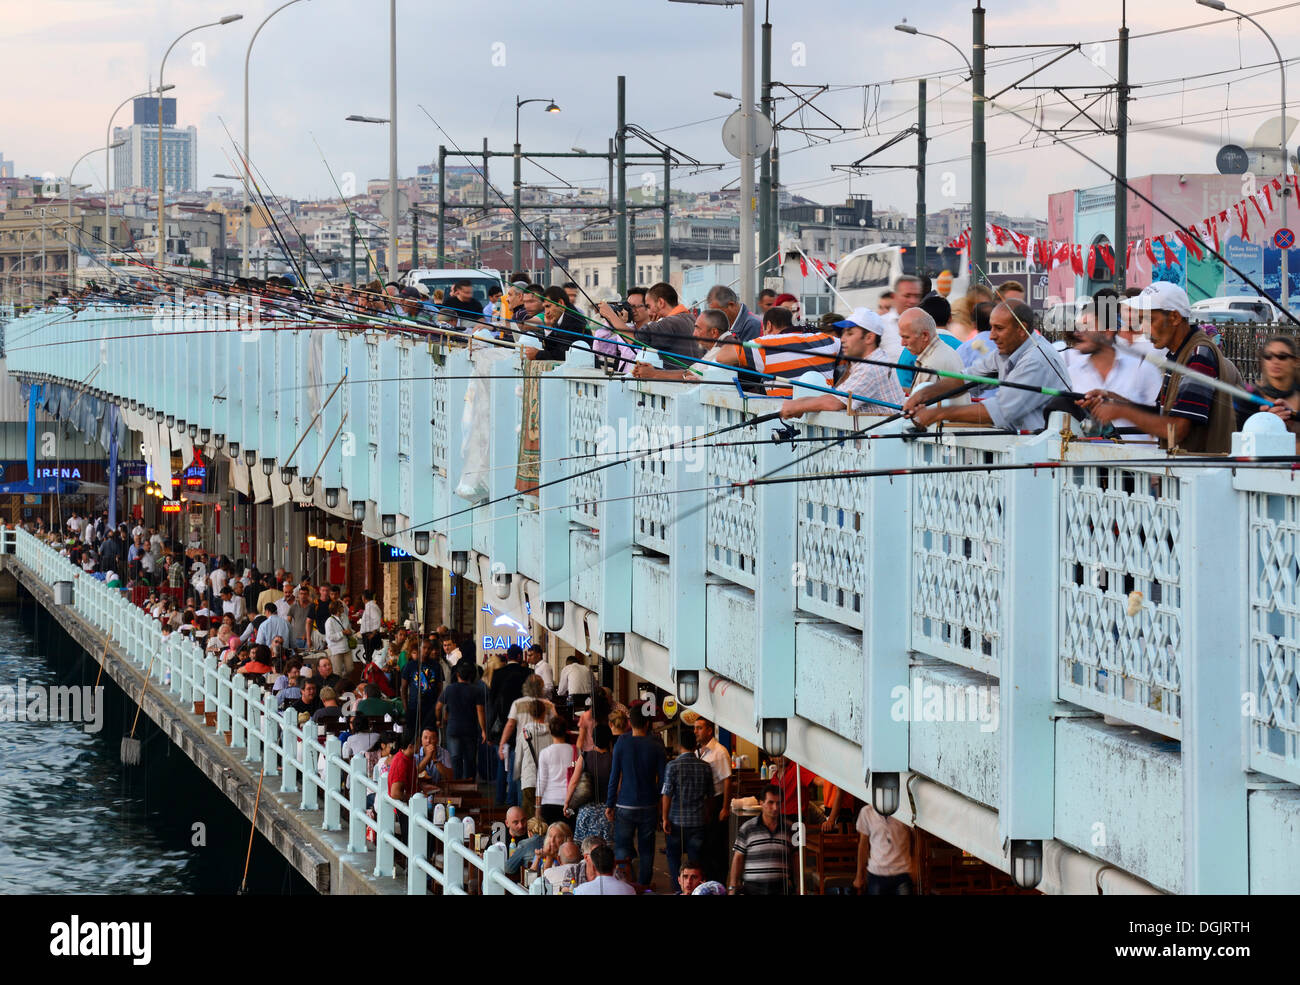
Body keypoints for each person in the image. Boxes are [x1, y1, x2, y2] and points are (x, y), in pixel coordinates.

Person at [1079, 283, 1243, 454]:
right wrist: (1114, 400)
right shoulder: (1179, 354)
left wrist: (1122, 411)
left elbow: (1177, 429)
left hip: (1202, 473)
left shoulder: (1198, 354)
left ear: (1174, 318)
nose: (1143, 329)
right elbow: (1163, 414)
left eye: (1149, 320)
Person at [903, 300, 1070, 432]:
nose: (991, 336)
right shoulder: (1005, 352)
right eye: (991, 328)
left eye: (999, 328)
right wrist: (922, 394)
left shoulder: (1036, 360)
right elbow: (966, 379)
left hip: (1045, 453)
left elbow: (1000, 411)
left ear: (1021, 329)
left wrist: (937, 414)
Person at [1067, 297, 1163, 442]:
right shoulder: (1071, 374)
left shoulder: (1142, 369)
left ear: (1108, 332)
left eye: (1087, 325)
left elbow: (1162, 422)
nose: (1077, 333)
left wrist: (1120, 406)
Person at [711, 305, 840, 396]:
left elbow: (722, 356)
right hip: (828, 416)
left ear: (769, 325)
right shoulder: (829, 340)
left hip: (784, 418)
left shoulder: (764, 346)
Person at [604, 704, 666, 889]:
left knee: (622, 846)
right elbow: (664, 779)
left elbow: (614, 776)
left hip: (625, 804)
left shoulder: (622, 742)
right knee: (647, 848)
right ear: (647, 723)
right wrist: (661, 805)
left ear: (630, 723)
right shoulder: (656, 744)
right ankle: (644, 886)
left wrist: (610, 803)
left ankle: (624, 884)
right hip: (649, 804)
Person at [660, 726, 713, 887]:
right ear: (695, 745)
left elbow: (667, 794)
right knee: (695, 862)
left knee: (674, 858)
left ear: (679, 745)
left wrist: (664, 818)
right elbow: (709, 796)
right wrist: (707, 816)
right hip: (698, 821)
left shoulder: (673, 766)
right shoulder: (705, 767)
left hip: (676, 821)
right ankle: (696, 890)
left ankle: (678, 890)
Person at [599, 281, 696, 362]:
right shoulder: (691, 318)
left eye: (648, 306)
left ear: (661, 303)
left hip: (672, 382)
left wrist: (611, 315)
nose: (649, 312)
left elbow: (634, 341)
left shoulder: (667, 323)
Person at [500, 675, 555, 815]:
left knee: (520, 784)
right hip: (545, 750)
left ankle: (518, 815)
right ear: (541, 688)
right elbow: (556, 725)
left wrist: (502, 743)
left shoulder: (518, 703)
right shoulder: (548, 705)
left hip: (523, 748)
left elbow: (511, 724)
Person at [728, 784, 793, 895]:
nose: (775, 808)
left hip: (780, 887)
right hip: (752, 888)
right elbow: (738, 858)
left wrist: (800, 886)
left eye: (778, 803)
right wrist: (732, 888)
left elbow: (796, 859)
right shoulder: (747, 828)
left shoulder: (789, 828)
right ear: (761, 803)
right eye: (771, 803)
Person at [899, 308, 969, 403]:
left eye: (906, 337)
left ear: (925, 336)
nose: (902, 343)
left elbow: (919, 412)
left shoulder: (930, 365)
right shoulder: (945, 350)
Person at [1245, 336, 1300, 448]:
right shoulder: (1250, 399)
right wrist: (1267, 424)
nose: (1275, 361)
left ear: (1296, 361)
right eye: (1268, 357)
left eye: (1282, 356)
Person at [564, 721, 614, 842]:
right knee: (604, 850)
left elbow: (574, 782)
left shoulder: (584, 756)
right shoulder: (613, 759)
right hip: (607, 812)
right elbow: (617, 786)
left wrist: (567, 803)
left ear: (593, 739)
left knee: (583, 849)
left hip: (586, 811)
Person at [436, 660, 486, 779]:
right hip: (470, 729)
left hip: (453, 729)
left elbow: (438, 707)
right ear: (471, 676)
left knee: (455, 759)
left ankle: (456, 786)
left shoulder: (449, 689)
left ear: (457, 675)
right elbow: (480, 711)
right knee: (470, 760)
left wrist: (439, 720)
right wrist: (483, 729)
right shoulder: (476, 690)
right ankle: (469, 788)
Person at [852, 803, 915, 895]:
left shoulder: (905, 810)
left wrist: (915, 865)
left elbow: (914, 839)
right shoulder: (867, 811)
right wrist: (859, 876)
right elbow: (863, 845)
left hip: (902, 872)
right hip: (876, 873)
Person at [534, 715, 576, 825]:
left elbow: (541, 781)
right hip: (569, 801)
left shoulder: (545, 752)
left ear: (550, 731)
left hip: (549, 800)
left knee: (550, 839)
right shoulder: (575, 750)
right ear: (566, 730)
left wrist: (537, 806)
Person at [877, 275, 922, 361]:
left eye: (917, 296)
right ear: (894, 297)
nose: (913, 301)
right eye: (907, 296)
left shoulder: (929, 324)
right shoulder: (880, 324)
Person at [503, 806, 545, 876]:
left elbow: (508, 869)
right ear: (507, 823)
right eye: (516, 822)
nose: (521, 826)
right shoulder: (551, 840)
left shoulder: (524, 844)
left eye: (523, 820)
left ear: (529, 831)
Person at [323, 599, 355, 677]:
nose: (343, 608)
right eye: (341, 606)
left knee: (350, 669)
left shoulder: (345, 617)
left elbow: (349, 628)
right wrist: (342, 633)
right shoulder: (329, 621)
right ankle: (338, 687)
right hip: (336, 650)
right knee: (337, 671)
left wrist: (351, 632)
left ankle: (346, 684)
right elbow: (330, 637)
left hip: (346, 647)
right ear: (337, 609)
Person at [358, 588, 382, 659]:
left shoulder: (371, 606)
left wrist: (373, 634)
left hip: (370, 635)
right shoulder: (371, 606)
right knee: (369, 657)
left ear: (364, 598)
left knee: (371, 658)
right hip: (369, 635)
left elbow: (377, 620)